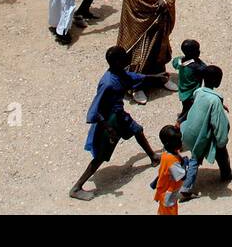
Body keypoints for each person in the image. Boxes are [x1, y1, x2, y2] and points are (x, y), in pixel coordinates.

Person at [70, 45, 167, 200]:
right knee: (100, 156)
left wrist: (153, 78)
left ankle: (153, 157)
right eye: (124, 58)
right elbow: (94, 111)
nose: (128, 59)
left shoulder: (118, 72)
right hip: (110, 122)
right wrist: (108, 128)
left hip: (120, 117)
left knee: (137, 130)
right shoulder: (108, 83)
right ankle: (76, 188)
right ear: (116, 62)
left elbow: (132, 77)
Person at [116, 0, 181, 91]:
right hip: (143, 26)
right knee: (141, 55)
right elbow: (138, 3)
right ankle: (137, 87)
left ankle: (162, 78)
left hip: (161, 21)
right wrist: (157, 5)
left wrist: (165, 0)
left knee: (160, 51)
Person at [180, 64, 232, 195]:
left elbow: (203, 103)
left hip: (189, 131)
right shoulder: (214, 100)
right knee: (201, 157)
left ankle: (226, 173)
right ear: (216, 81)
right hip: (200, 136)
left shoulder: (199, 92)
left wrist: (221, 104)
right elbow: (218, 124)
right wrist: (221, 141)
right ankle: (186, 187)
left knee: (207, 155)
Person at [152, 124, 196, 215]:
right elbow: (182, 176)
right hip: (168, 196)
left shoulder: (166, 153)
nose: (180, 142)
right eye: (177, 141)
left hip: (164, 193)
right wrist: (187, 164)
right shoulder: (172, 161)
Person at [170, 38, 206, 120]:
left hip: (183, 91)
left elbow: (174, 62)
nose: (199, 51)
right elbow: (206, 70)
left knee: (186, 106)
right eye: (197, 50)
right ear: (194, 53)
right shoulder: (196, 67)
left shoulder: (179, 61)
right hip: (191, 94)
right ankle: (180, 122)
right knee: (188, 110)